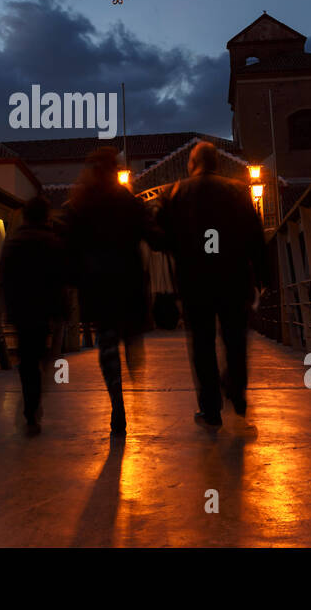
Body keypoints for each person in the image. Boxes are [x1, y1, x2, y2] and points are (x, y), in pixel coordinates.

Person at [156, 142, 265, 429]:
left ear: (192, 164)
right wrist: (263, 277)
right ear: (216, 163)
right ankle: (238, 395)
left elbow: (160, 236)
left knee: (202, 343)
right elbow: (256, 236)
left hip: (194, 280)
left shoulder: (175, 192)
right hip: (233, 277)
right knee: (235, 339)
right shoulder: (238, 191)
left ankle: (211, 409)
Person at [60, 147, 158, 436]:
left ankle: (117, 402)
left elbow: (69, 247)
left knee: (107, 343)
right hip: (128, 281)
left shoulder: (79, 204)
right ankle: (135, 374)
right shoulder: (128, 201)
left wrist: (73, 280)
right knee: (131, 336)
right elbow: (152, 235)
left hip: (97, 284)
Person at [0, 195, 67, 435]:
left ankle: (30, 411)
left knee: (27, 361)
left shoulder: (13, 242)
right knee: (43, 359)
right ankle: (34, 406)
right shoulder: (53, 242)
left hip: (22, 311)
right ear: (45, 216)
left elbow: (3, 278)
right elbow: (62, 277)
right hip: (45, 310)